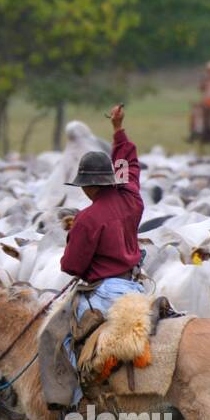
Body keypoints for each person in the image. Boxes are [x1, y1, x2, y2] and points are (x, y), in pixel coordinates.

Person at [59, 103, 145, 376]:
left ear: (89, 186)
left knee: (58, 336)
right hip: (136, 288)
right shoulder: (131, 197)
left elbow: (72, 266)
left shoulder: (87, 218)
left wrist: (73, 237)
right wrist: (118, 130)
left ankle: (72, 398)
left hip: (105, 294)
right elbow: (129, 165)